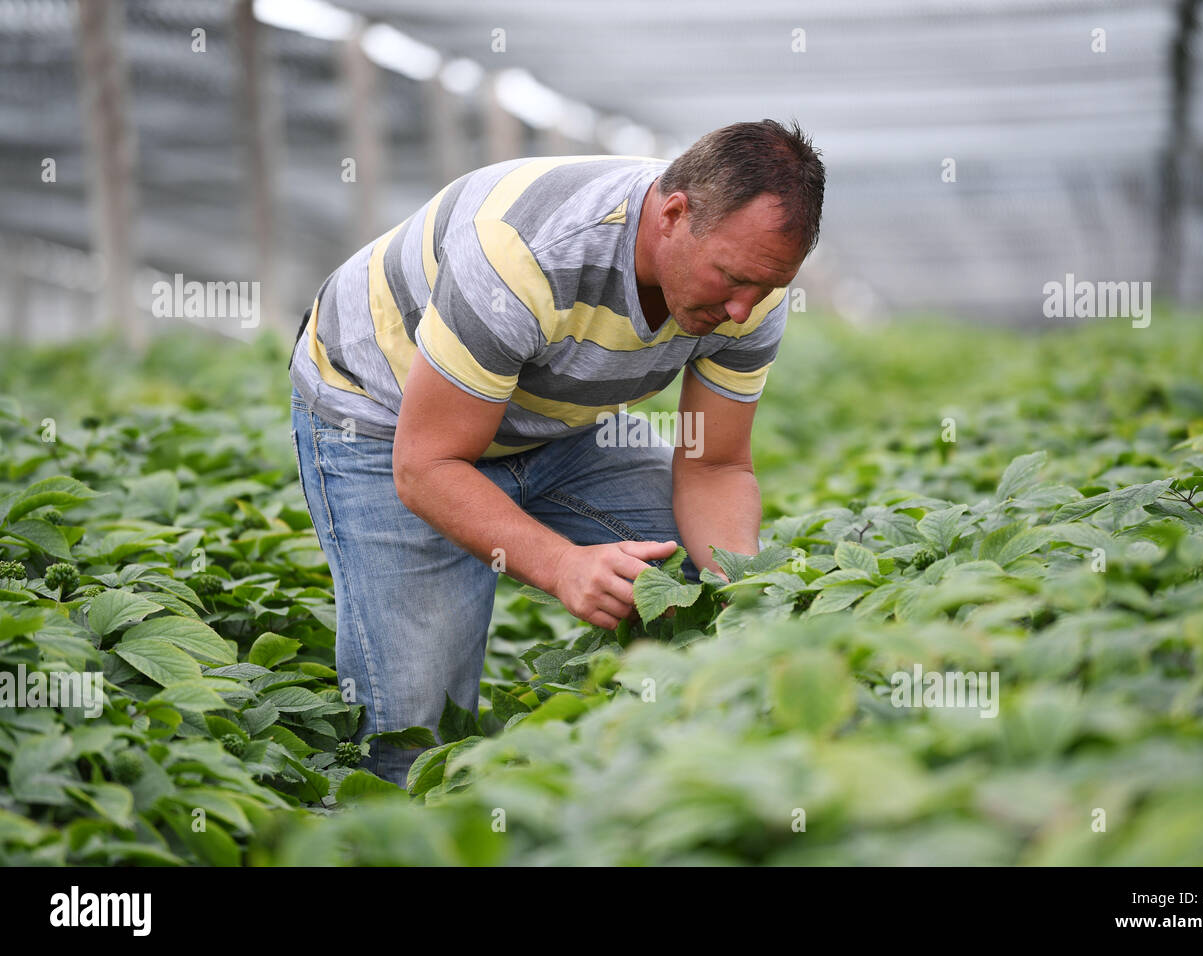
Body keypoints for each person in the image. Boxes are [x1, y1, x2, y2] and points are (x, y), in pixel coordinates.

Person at [287, 119, 825, 785]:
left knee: (690, 586)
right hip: (385, 415)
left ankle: (659, 773)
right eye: (732, 279)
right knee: (414, 724)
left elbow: (714, 465)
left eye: (766, 287)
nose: (744, 311)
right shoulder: (526, 255)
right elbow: (427, 466)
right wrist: (563, 566)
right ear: (674, 215)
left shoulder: (750, 290)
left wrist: (743, 591)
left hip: (557, 424)